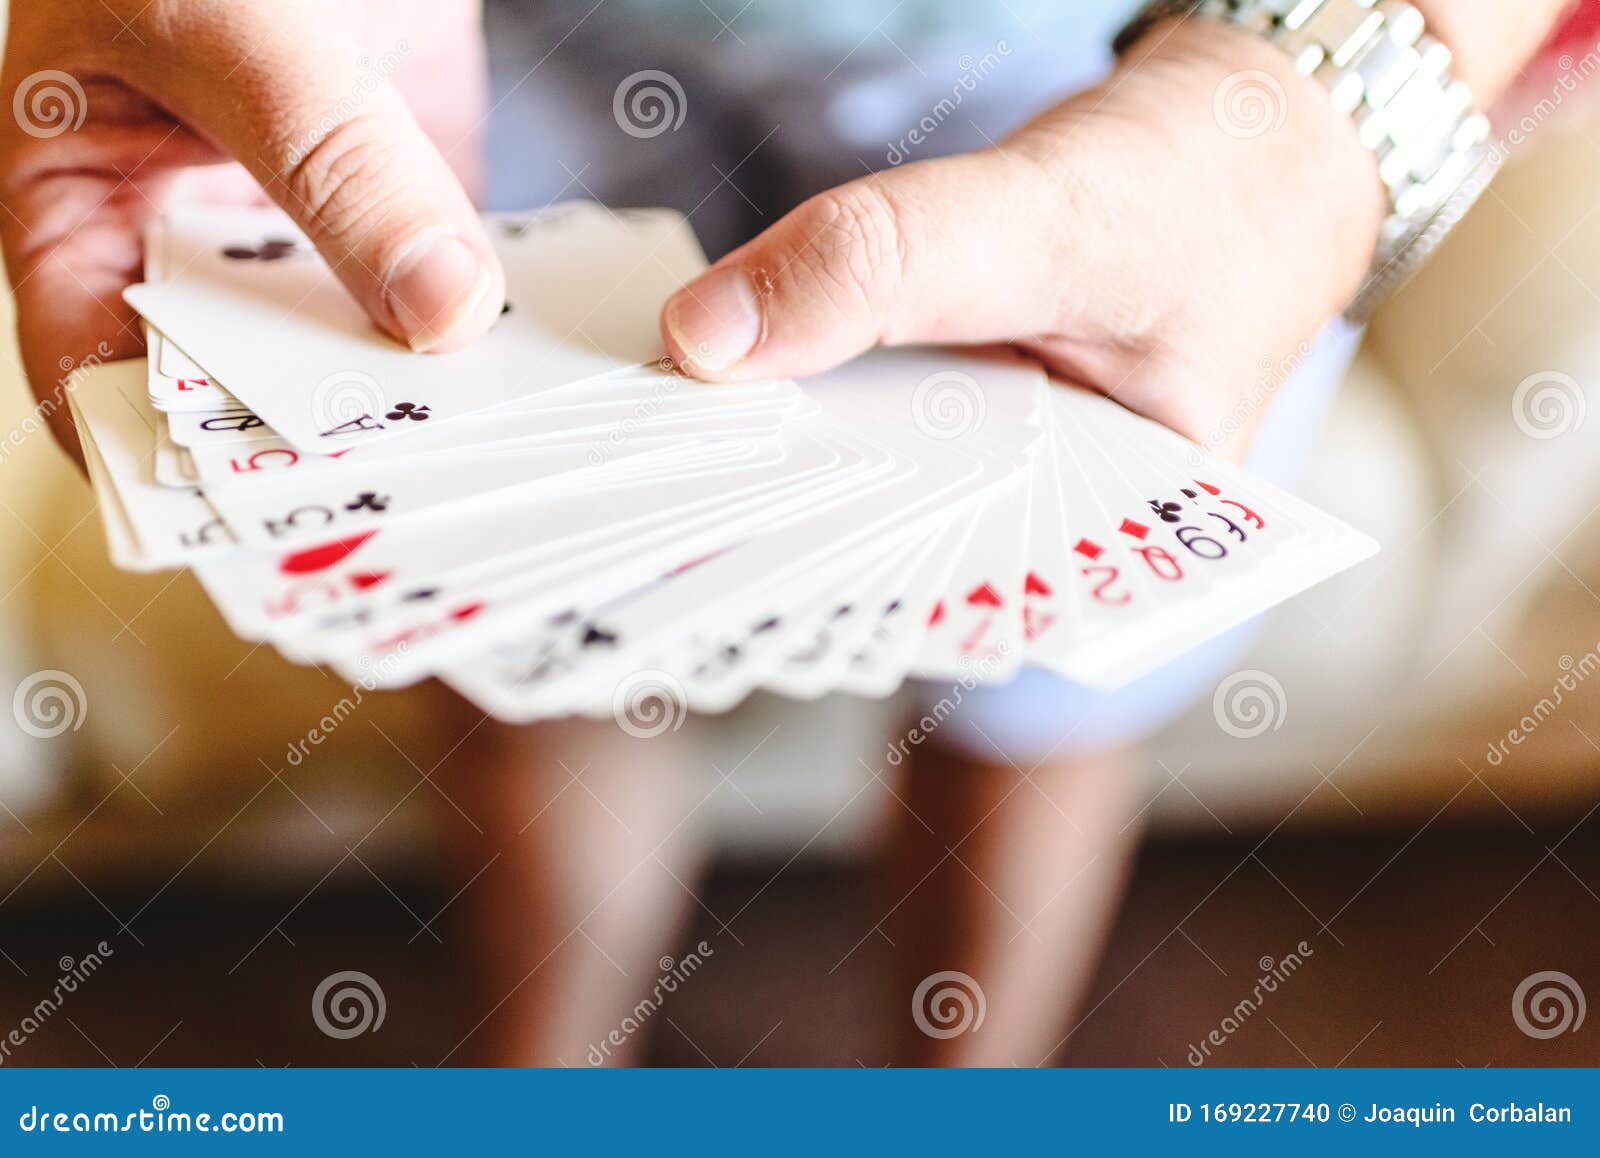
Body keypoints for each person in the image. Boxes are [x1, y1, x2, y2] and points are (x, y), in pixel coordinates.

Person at [0, 0, 1574, 1065]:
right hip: (506, 38)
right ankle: (546, 1084)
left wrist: (1323, 101)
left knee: (1038, 683)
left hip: (1103, 53)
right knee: (525, 624)